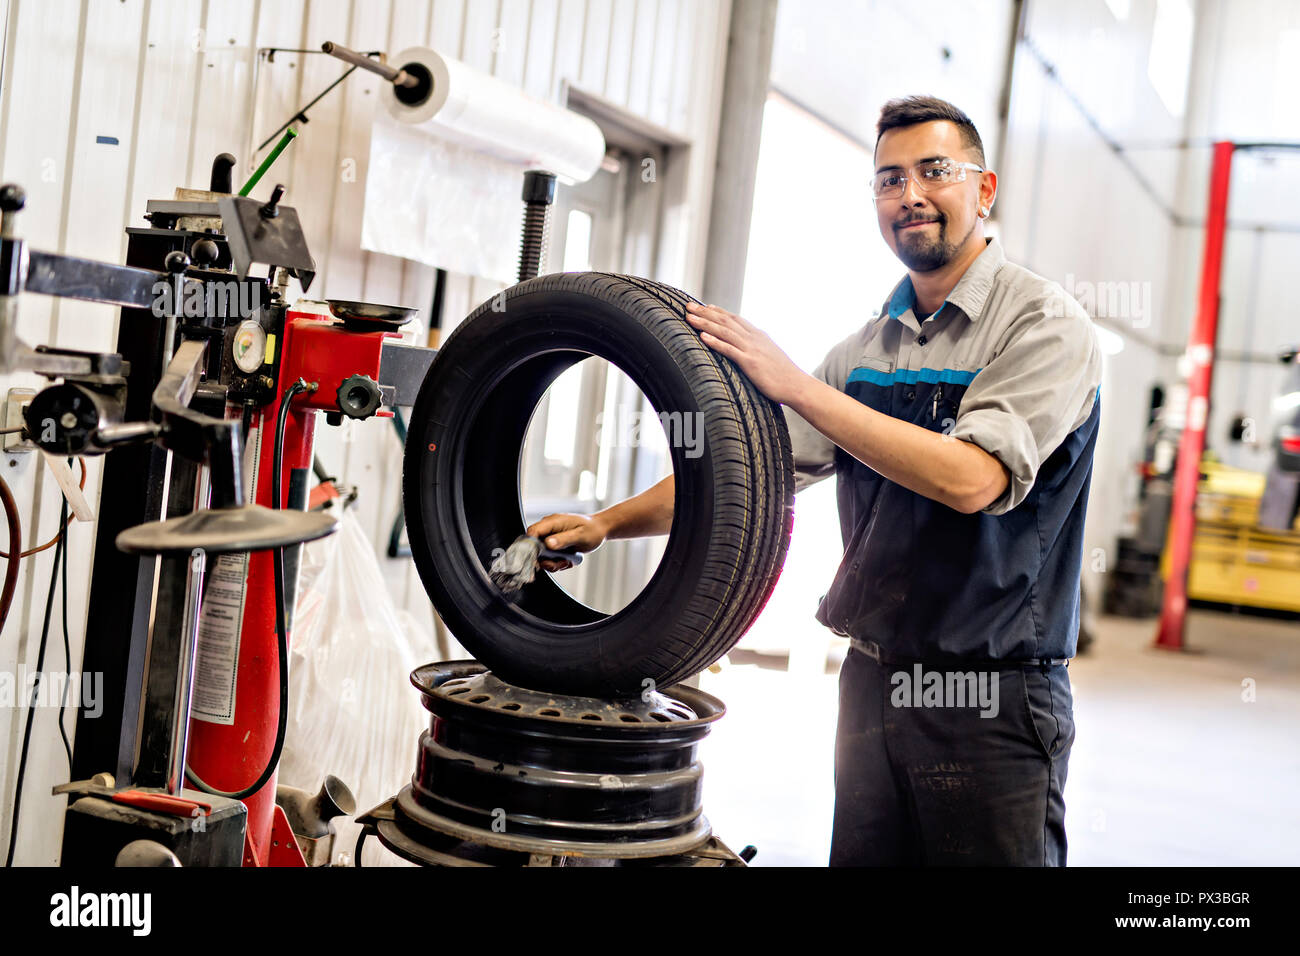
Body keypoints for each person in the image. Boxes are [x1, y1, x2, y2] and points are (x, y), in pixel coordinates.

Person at [528, 95, 1101, 866]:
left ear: (985, 188)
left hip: (990, 697)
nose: (911, 196)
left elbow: (972, 479)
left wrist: (798, 385)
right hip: (872, 684)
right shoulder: (864, 350)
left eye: (935, 172)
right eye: (889, 180)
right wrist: (604, 523)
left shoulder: (1043, 324)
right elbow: (745, 476)